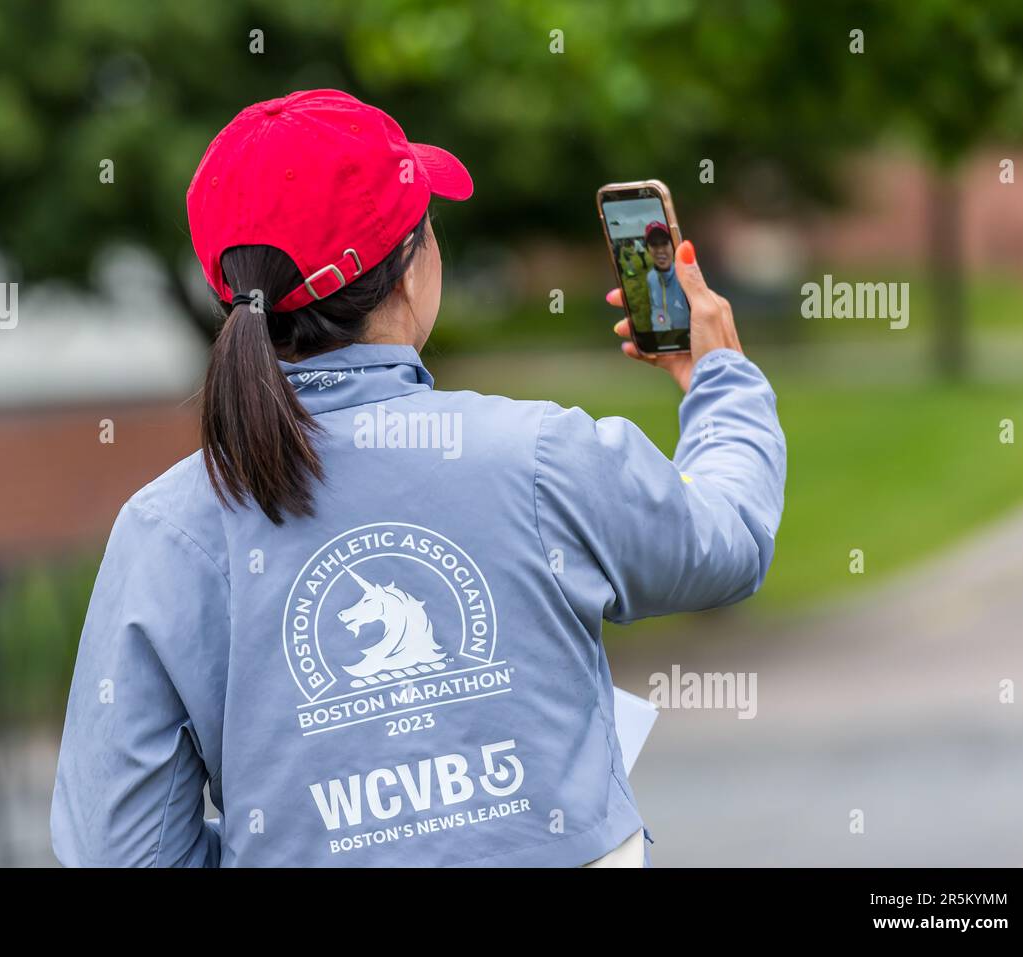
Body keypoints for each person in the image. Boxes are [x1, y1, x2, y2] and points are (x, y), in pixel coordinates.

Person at [50, 89, 786, 868]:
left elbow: (118, 850)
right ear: (408, 272)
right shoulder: (539, 454)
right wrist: (720, 378)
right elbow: (729, 540)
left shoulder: (164, 529)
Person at [644, 220, 691, 331]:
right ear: (647, 249)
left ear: (672, 246)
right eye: (654, 245)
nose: (660, 250)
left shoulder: (685, 275)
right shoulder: (650, 277)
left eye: (664, 243)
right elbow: (655, 310)